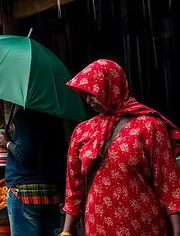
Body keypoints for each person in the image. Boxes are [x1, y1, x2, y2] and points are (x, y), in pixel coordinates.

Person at [62, 59, 180, 236]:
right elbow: (74, 189)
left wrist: (177, 231)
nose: (88, 99)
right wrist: (66, 232)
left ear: (112, 86)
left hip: (145, 227)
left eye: (93, 92)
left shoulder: (149, 126)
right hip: (98, 228)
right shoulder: (82, 131)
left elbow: (169, 185)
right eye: (85, 94)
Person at [0, 105, 66, 236]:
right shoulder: (55, 117)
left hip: (25, 193)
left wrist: (7, 144)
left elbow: (24, 153)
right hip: (52, 193)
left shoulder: (23, 115)